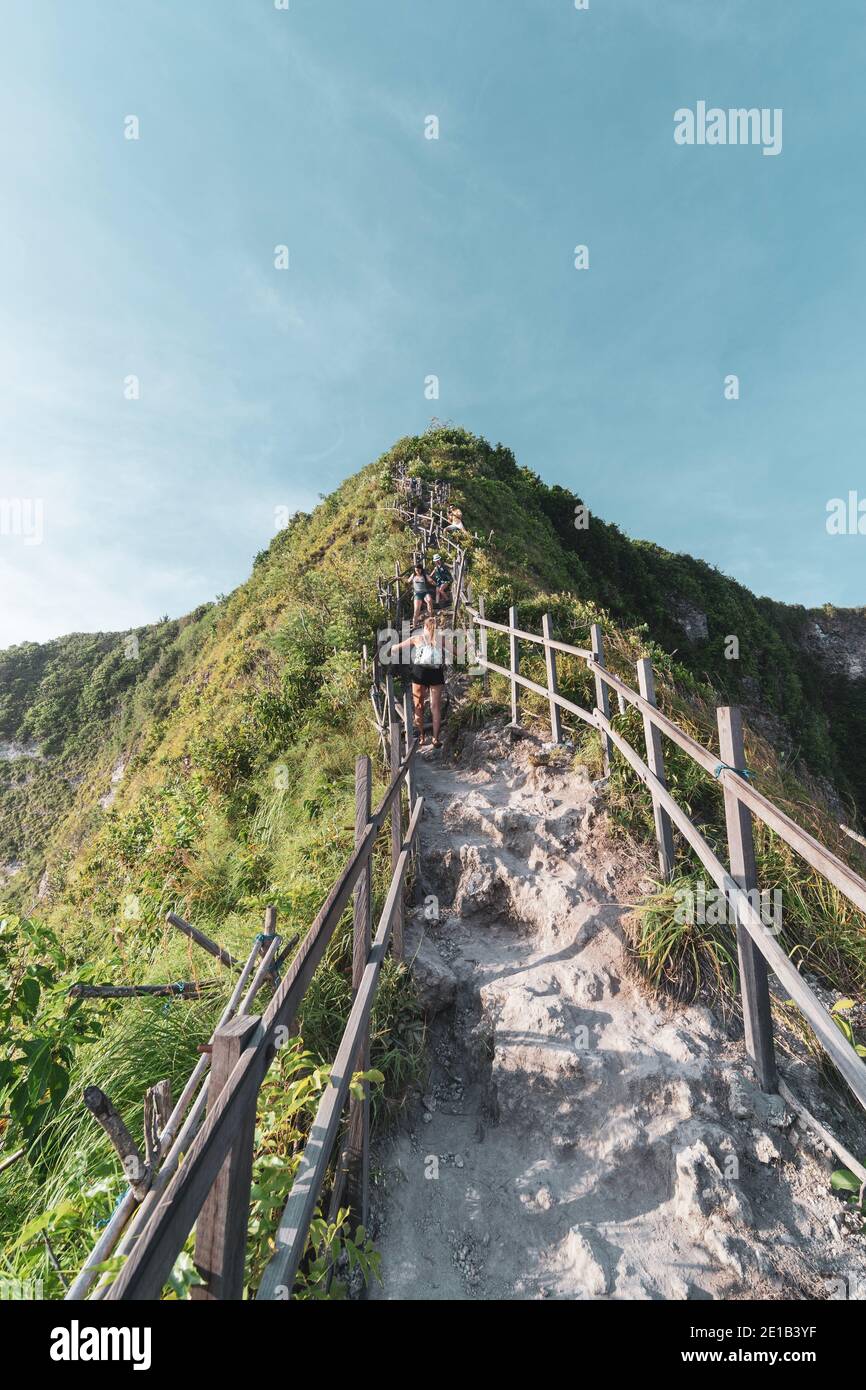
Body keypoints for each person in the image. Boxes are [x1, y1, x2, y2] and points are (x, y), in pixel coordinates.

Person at [390, 616, 446, 748]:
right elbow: (458, 652)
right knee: (435, 707)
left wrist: (392, 648)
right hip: (436, 673)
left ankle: (421, 736)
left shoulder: (417, 638)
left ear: (425, 627)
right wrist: (469, 645)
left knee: (418, 706)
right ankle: (435, 738)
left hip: (419, 672)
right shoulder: (440, 639)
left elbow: (396, 647)